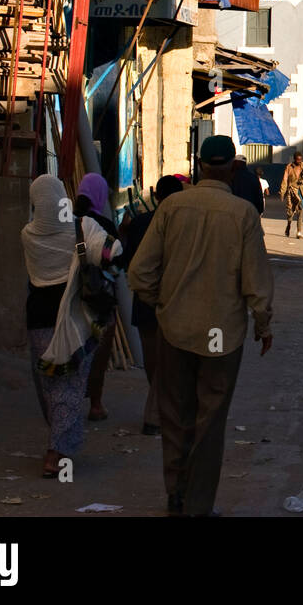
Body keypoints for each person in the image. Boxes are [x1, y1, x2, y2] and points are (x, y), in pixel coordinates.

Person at [128, 135, 274, 517]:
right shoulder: (243, 214)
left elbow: (140, 272)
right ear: (233, 168)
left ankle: (175, 494)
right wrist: (263, 322)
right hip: (222, 336)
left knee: (175, 416)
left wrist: (163, 303)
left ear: (199, 163)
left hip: (175, 329)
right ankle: (197, 506)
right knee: (210, 423)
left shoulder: (172, 207)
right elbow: (255, 279)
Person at [22, 174, 123, 477]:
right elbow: (113, 252)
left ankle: (58, 440)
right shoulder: (82, 227)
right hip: (76, 316)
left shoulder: (27, 233)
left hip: (39, 316)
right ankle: (56, 452)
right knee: (70, 383)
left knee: (50, 384)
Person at [120, 174, 183, 436]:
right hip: (173, 303)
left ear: (157, 196)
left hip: (145, 303)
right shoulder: (184, 227)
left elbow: (127, 263)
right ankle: (156, 414)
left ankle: (157, 411)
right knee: (169, 363)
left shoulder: (140, 223)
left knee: (153, 362)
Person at [76, 172, 119, 423]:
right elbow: (113, 264)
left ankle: (67, 402)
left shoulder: (69, 221)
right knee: (99, 353)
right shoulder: (105, 226)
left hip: (71, 296)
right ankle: (95, 404)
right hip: (99, 299)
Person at [281, 151, 303, 239]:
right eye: (297, 160)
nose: (299, 162)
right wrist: (282, 192)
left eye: (300, 160)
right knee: (290, 212)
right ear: (294, 159)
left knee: (300, 211)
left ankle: (299, 232)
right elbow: (284, 180)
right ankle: (288, 225)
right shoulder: (289, 167)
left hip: (301, 191)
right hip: (291, 191)